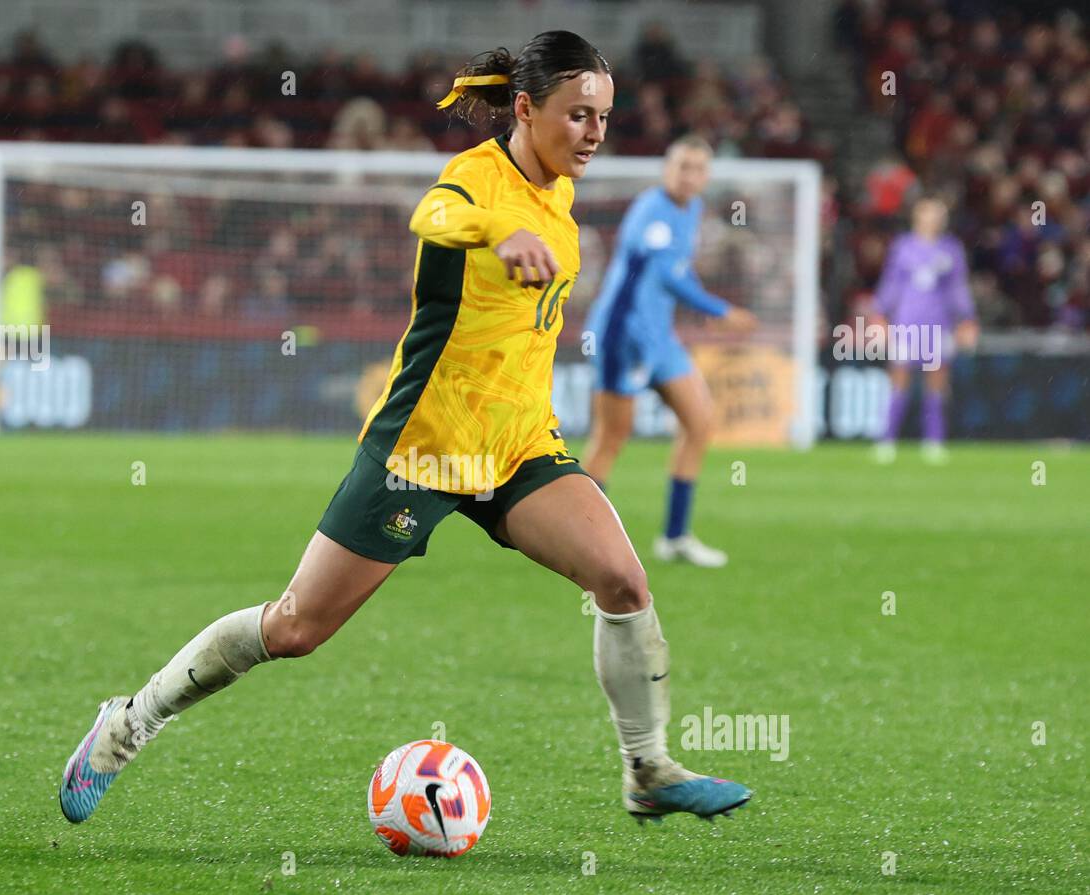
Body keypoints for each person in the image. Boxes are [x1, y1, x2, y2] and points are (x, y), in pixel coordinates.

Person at [58, 31, 751, 829]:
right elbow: (434, 212)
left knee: (625, 583)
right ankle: (128, 723)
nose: (593, 133)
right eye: (577, 116)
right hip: (423, 446)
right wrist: (497, 232)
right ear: (525, 109)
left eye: (603, 116)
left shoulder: (558, 190)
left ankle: (647, 768)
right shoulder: (475, 180)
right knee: (295, 627)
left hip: (520, 444)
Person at [581, 136, 758, 568]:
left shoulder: (692, 210)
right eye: (682, 167)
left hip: (659, 338)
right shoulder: (650, 210)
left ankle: (675, 536)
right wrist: (718, 309)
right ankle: (580, 540)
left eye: (698, 168)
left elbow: (677, 272)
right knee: (610, 439)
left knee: (700, 421)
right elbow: (664, 274)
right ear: (667, 170)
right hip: (622, 335)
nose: (689, 176)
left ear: (707, 176)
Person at [870, 194, 978, 463]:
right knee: (899, 382)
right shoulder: (903, 247)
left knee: (936, 385)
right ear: (917, 216)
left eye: (937, 214)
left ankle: (934, 441)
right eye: (928, 212)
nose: (933, 218)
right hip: (907, 322)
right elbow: (891, 284)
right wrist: (879, 314)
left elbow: (958, 288)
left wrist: (967, 318)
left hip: (938, 323)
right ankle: (887, 441)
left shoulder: (951, 248)